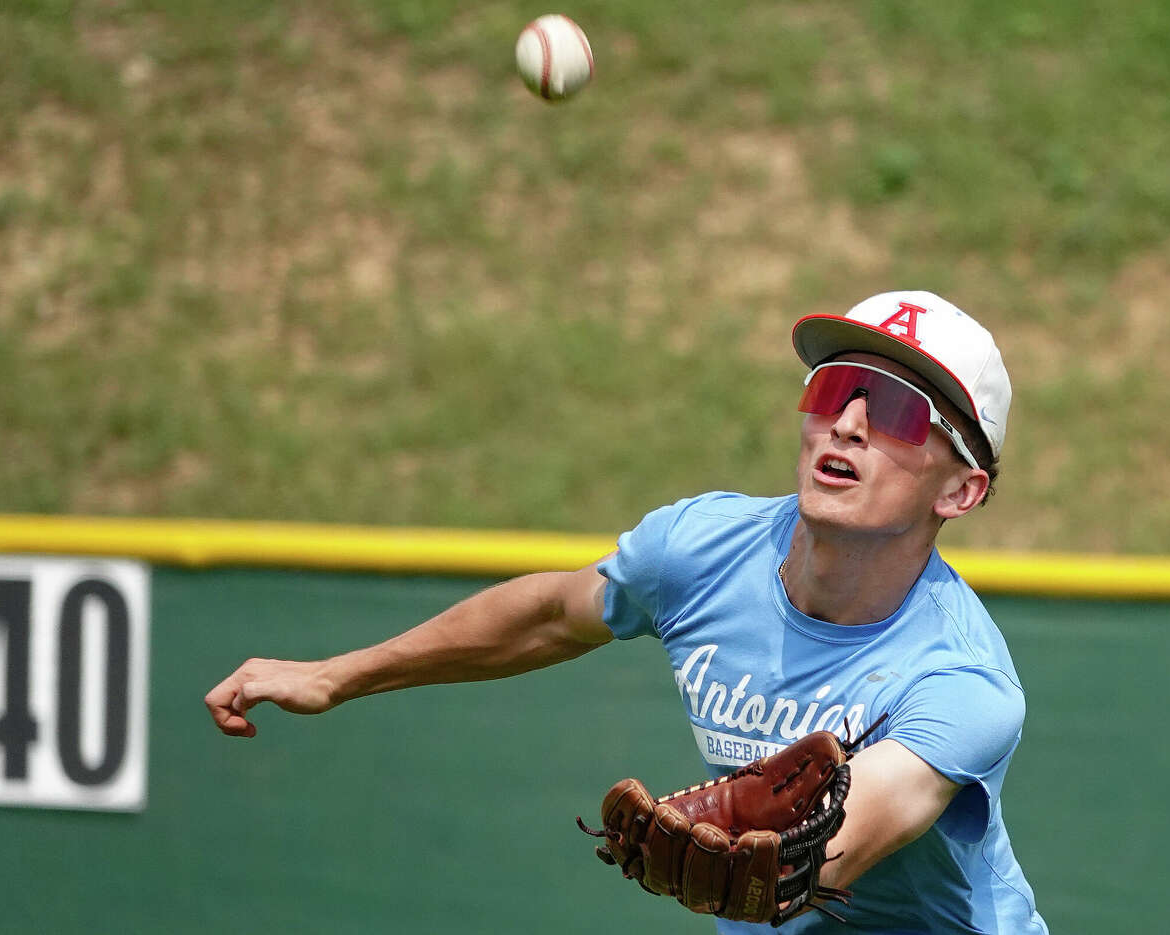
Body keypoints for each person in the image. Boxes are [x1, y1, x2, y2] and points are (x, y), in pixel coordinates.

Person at [205, 290, 1048, 933]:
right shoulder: (702, 548)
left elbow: (831, 850)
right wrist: (333, 675)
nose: (850, 422)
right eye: (833, 390)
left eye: (897, 409)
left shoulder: (962, 678)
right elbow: (547, 613)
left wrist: (755, 848)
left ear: (962, 488)